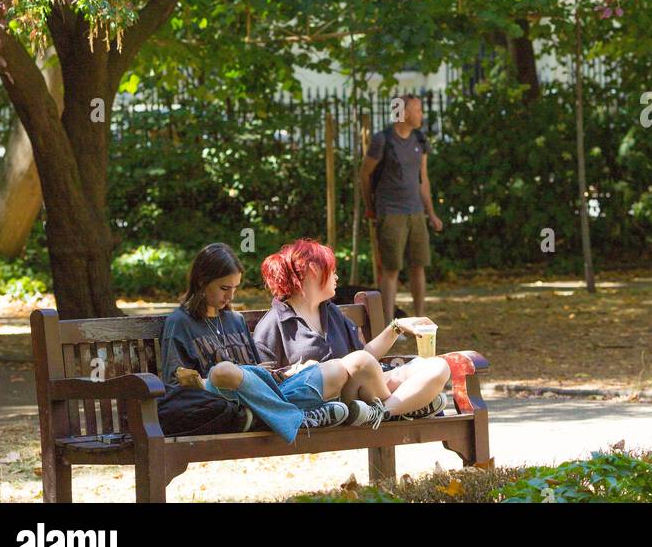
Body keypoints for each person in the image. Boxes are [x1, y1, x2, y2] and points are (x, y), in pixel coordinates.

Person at [160, 242, 354, 439]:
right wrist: (220, 381)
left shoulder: (235, 320)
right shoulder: (180, 323)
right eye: (224, 288)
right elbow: (176, 385)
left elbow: (256, 373)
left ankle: (276, 416)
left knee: (332, 370)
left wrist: (288, 372)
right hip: (218, 403)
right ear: (202, 281)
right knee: (224, 371)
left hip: (257, 401)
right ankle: (296, 417)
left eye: (235, 288)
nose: (230, 296)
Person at [254, 237, 450, 429]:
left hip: (364, 398)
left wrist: (396, 327)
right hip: (329, 404)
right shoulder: (274, 324)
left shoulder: (330, 311)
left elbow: (366, 357)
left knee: (437, 366)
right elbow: (262, 383)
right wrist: (295, 371)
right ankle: (407, 406)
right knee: (361, 361)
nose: (337, 277)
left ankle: (384, 413)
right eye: (332, 271)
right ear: (314, 271)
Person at [360, 93, 443, 323]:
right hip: (390, 212)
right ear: (404, 113)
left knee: (419, 266)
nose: (421, 115)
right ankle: (388, 324)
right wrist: (371, 206)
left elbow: (422, 179)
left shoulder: (420, 139)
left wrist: (431, 213)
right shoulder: (382, 140)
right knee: (391, 270)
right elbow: (364, 173)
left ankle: (421, 320)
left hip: (416, 211)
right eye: (417, 110)